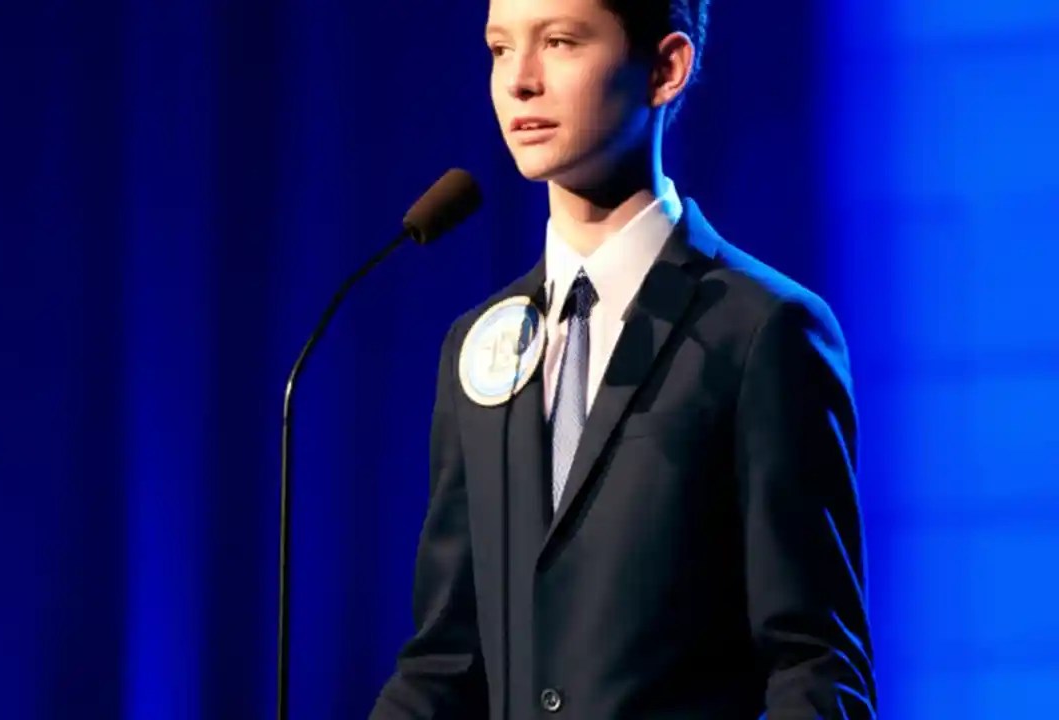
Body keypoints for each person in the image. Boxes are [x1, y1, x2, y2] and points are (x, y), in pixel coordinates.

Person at [370, 0, 876, 716]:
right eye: (498, 49)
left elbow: (815, 664)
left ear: (666, 68)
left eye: (561, 41)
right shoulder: (481, 342)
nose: (521, 80)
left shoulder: (761, 330)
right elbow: (445, 661)